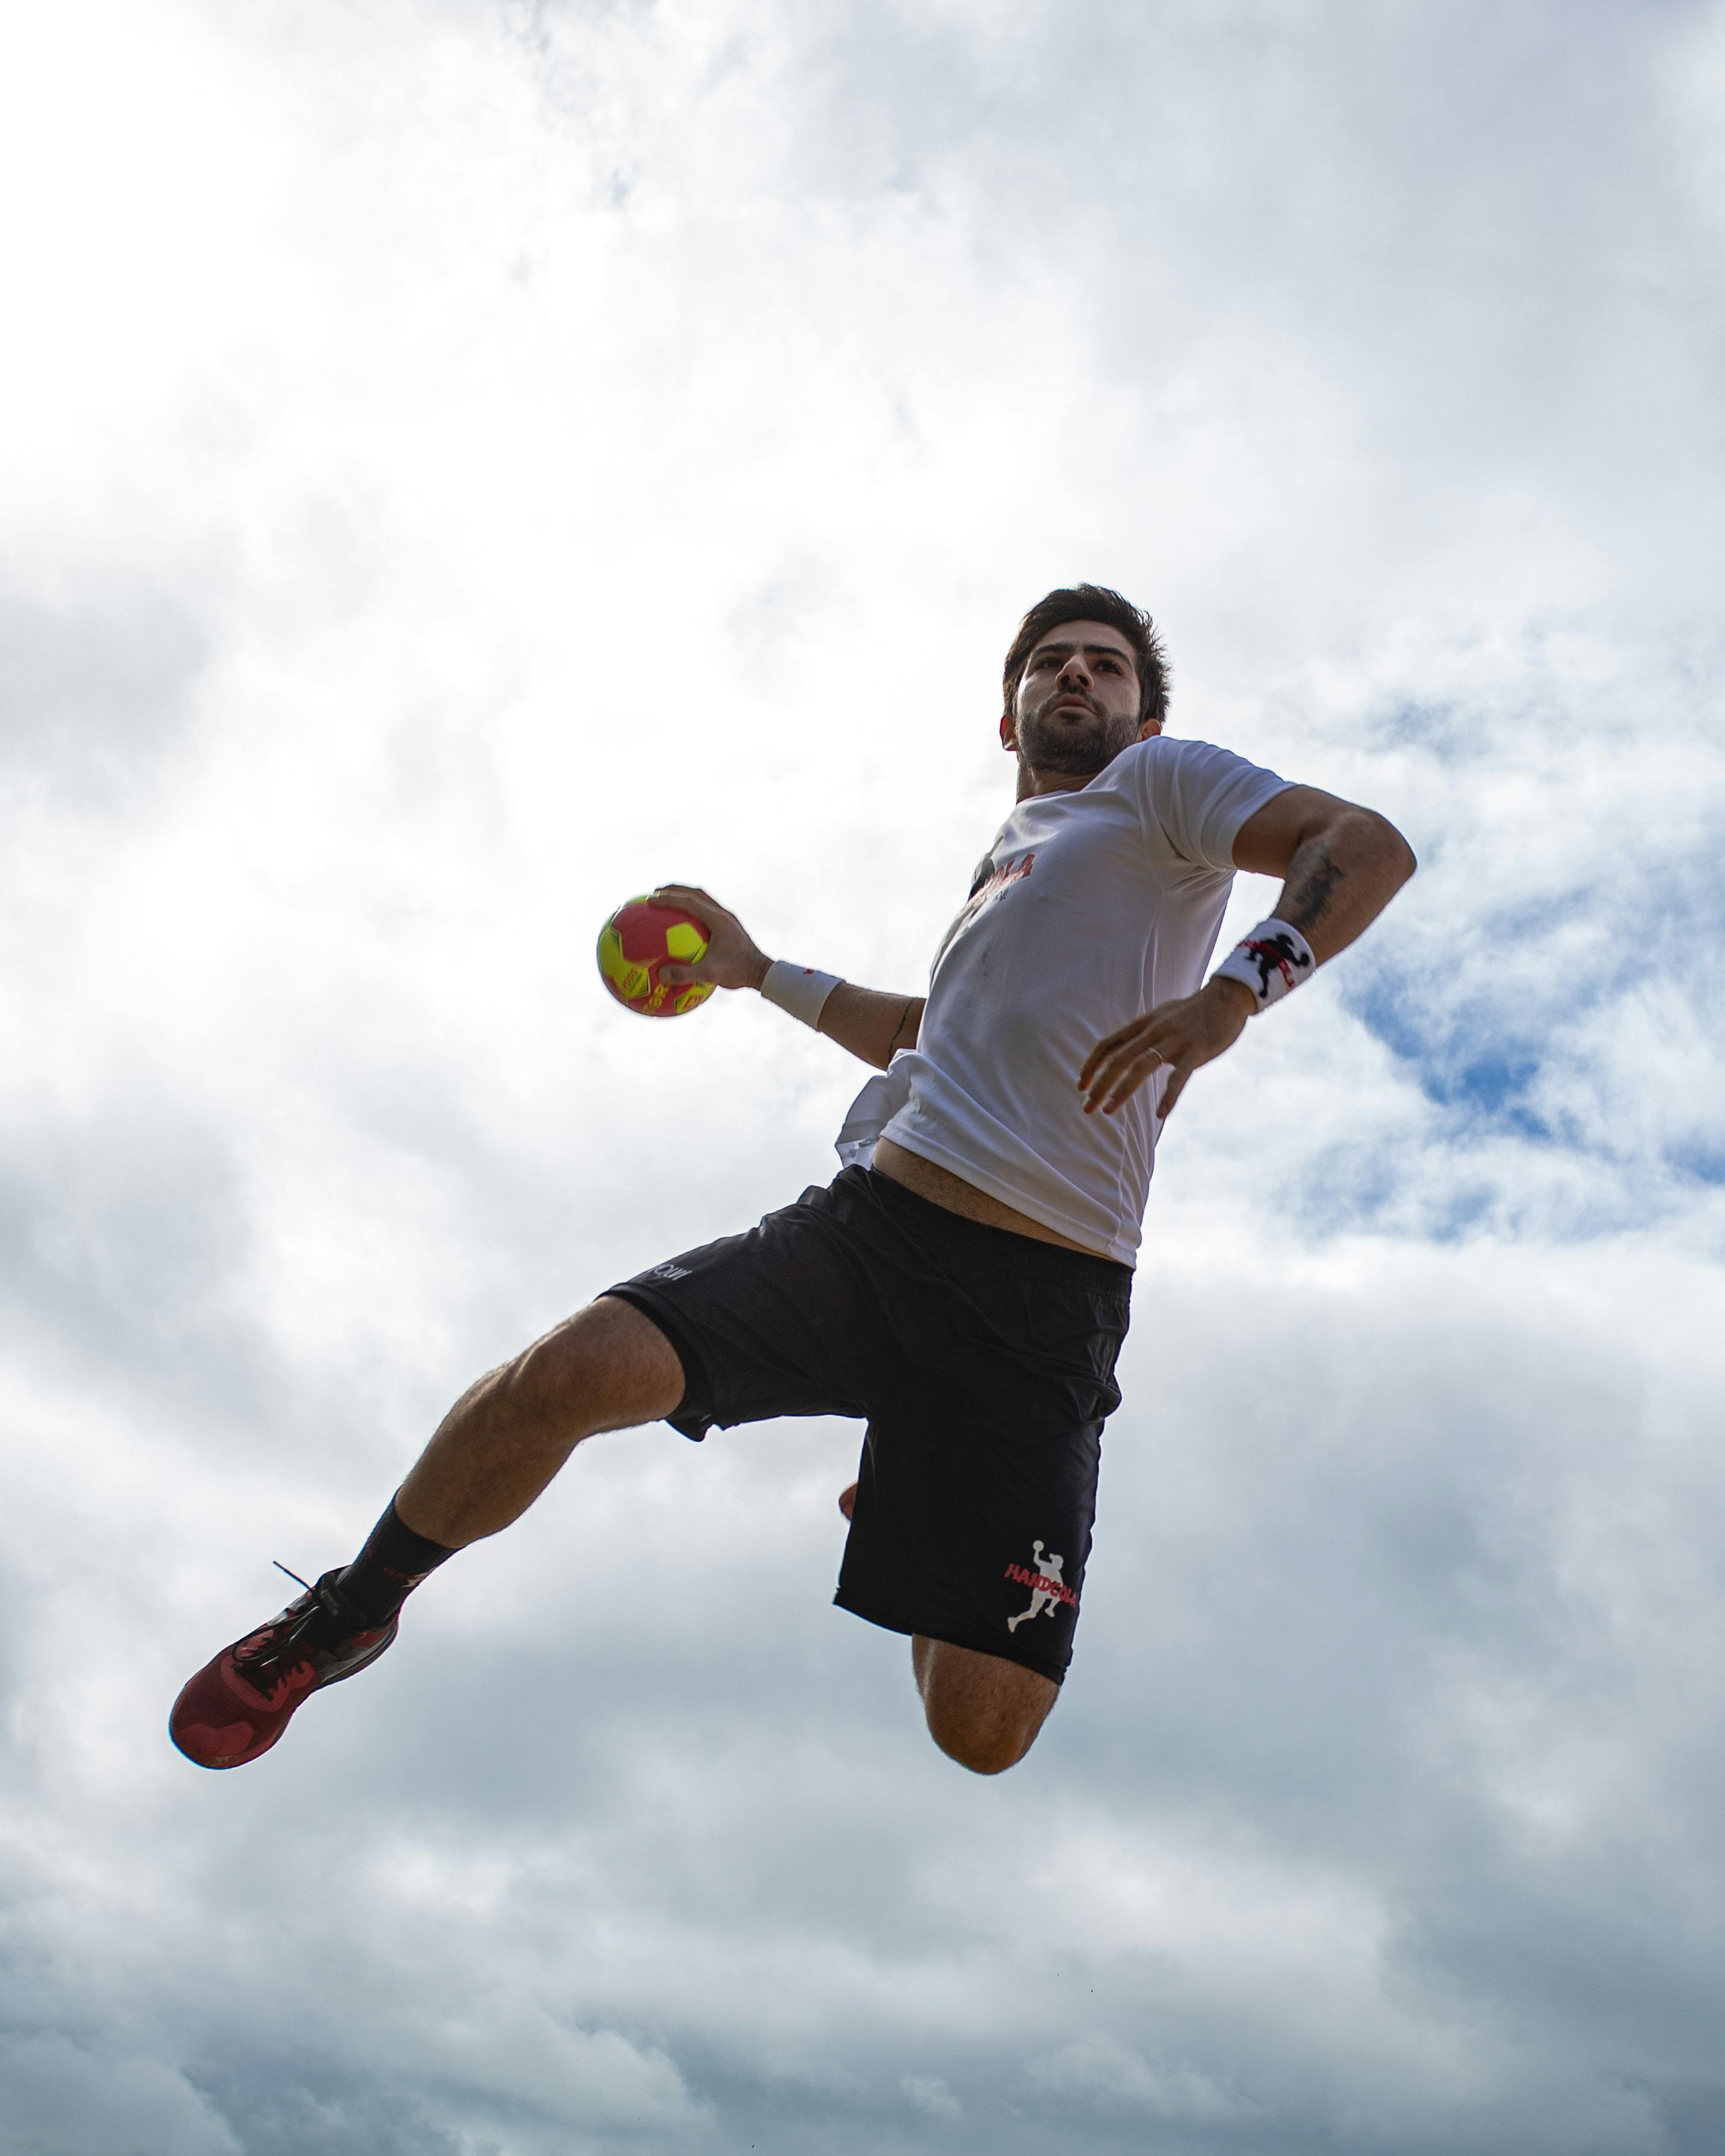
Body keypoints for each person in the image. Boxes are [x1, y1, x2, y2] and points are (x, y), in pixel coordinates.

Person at [171, 584, 1415, 1777]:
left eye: (1103, 663)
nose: (1074, 673)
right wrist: (760, 969)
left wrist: (1232, 994)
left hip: (1048, 1302)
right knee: (567, 1373)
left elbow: (1365, 842)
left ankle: (916, 1474)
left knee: (982, 1732)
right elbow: (927, 1033)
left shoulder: (1162, 782)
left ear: (1145, 716)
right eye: (1048, 662)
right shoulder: (1010, 865)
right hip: (876, 1236)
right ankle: (350, 1611)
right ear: (1006, 718)